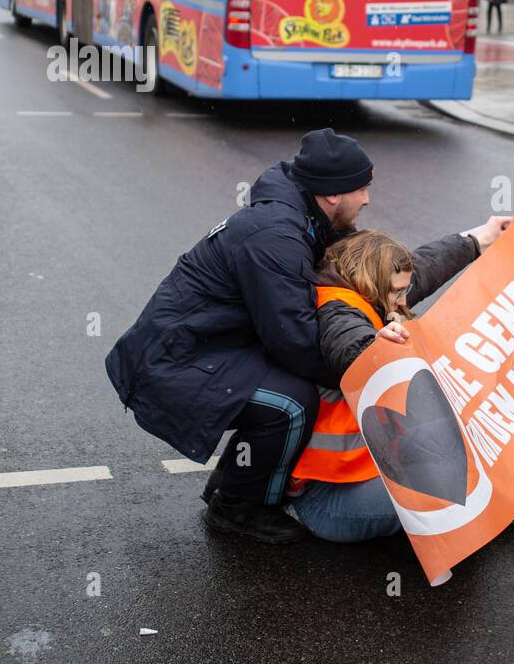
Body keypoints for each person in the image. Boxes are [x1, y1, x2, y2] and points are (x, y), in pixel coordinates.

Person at [106, 128, 375, 545]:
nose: (368, 199)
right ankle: (238, 510)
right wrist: (357, 378)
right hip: (175, 362)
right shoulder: (277, 236)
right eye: (362, 188)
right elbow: (294, 341)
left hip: (203, 346)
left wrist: (468, 244)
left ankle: (232, 484)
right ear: (334, 194)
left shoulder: (298, 216)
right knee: (291, 403)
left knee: (291, 388)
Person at [287, 226, 514, 540]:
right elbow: (346, 340)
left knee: (496, 491)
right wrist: (371, 347)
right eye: (398, 291)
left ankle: (488, 507)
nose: (404, 299)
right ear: (371, 281)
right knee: (466, 499)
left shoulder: (371, 293)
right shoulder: (337, 309)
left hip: (370, 469)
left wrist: (478, 239)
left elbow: (426, 266)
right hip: (324, 500)